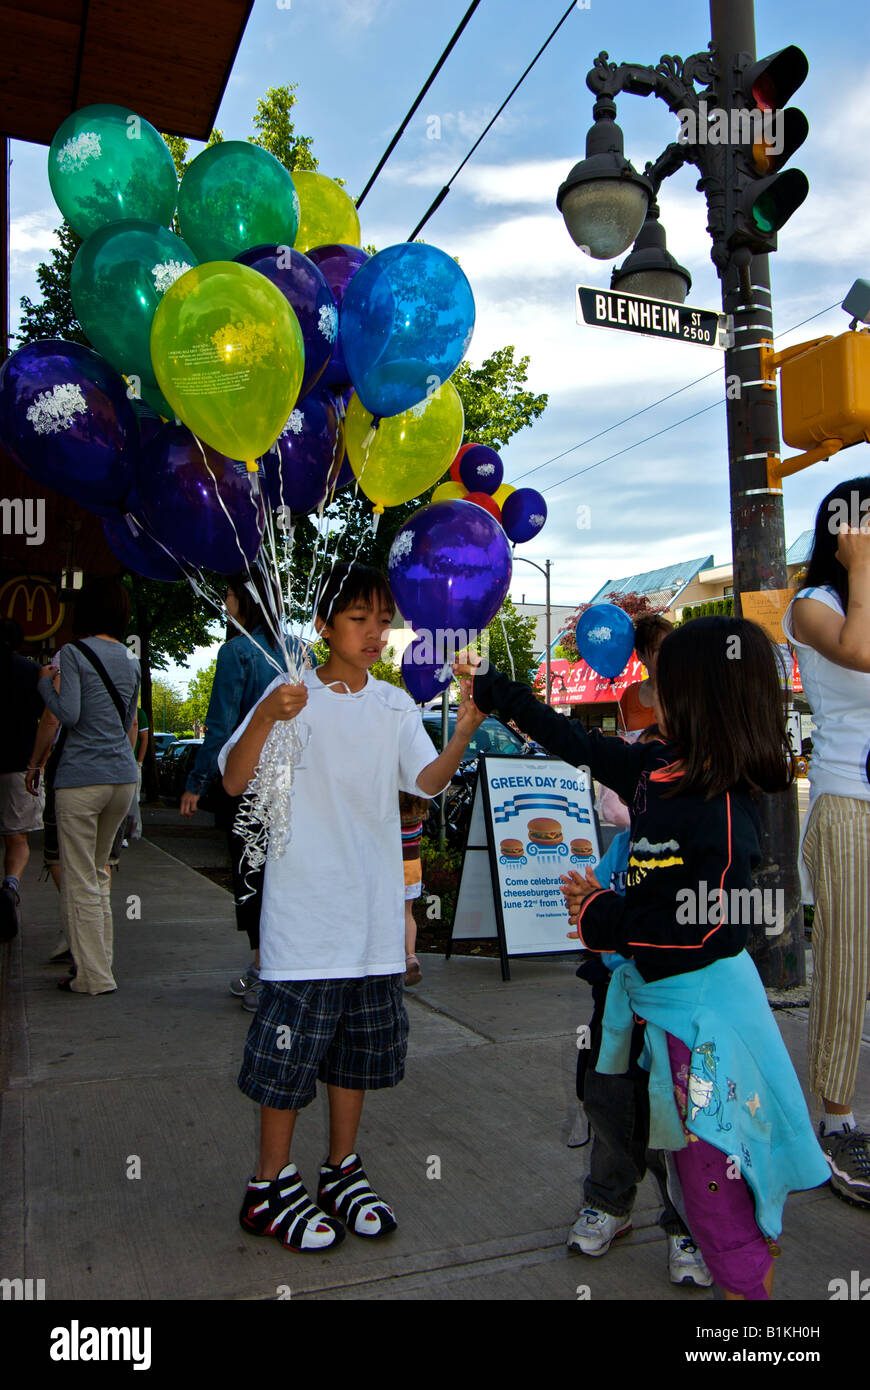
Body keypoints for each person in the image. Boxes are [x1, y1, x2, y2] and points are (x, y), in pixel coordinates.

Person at [457, 618, 830, 1299]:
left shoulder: (719, 805)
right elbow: (572, 739)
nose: (652, 692)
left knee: (716, 1184)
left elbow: (703, 927)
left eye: (666, 683)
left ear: (703, 699)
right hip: (668, 1019)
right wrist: (493, 689)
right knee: (698, 1171)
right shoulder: (659, 771)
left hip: (706, 1033)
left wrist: (602, 915)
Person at [221, 562, 481, 1253]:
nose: (374, 633)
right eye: (359, 619)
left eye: (383, 620)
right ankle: (267, 1185)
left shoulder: (394, 706)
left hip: (368, 919)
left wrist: (461, 733)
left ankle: (340, 1169)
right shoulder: (290, 694)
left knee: (352, 1058)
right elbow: (234, 778)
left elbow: (421, 782)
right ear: (324, 626)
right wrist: (269, 718)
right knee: (286, 1060)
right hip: (303, 920)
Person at [571, 723, 712, 1288]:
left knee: (675, 1121)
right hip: (616, 1002)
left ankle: (687, 1224)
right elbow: (598, 899)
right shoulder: (625, 845)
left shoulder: (697, 844)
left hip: (674, 1007)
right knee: (607, 1104)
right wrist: (587, 900)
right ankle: (608, 1203)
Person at [782, 478, 870, 1207]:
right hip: (848, 800)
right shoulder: (815, 607)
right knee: (846, 961)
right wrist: (862, 567)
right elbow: (859, 652)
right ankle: (837, 1120)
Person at [180, 571, 286, 1013]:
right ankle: (278, 968)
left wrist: (194, 783)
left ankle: (264, 970)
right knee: (284, 877)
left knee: (250, 875)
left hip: (246, 783)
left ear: (245, 599)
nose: (224, 602)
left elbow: (220, 727)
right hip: (291, 784)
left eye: (227, 595)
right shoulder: (299, 650)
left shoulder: (236, 651)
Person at [35, 578, 140, 995]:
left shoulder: (75, 654)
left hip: (82, 778)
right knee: (98, 873)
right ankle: (99, 965)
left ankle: (93, 977)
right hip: (122, 779)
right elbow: (129, 720)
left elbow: (70, 715)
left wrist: (44, 683)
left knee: (79, 878)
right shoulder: (131, 660)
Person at [0, 619, 45, 940]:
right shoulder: (32, 672)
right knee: (17, 839)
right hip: (20, 764)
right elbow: (49, 716)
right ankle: (10, 885)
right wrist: (40, 762)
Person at [617, 613, 672, 736]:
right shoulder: (629, 695)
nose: (667, 655)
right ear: (641, 656)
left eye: (671, 647)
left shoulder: (687, 691)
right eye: (658, 649)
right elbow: (623, 740)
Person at [399, 791, 429, 987]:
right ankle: (410, 955)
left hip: (390, 865)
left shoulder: (394, 812)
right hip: (412, 867)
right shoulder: (419, 811)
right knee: (407, 914)